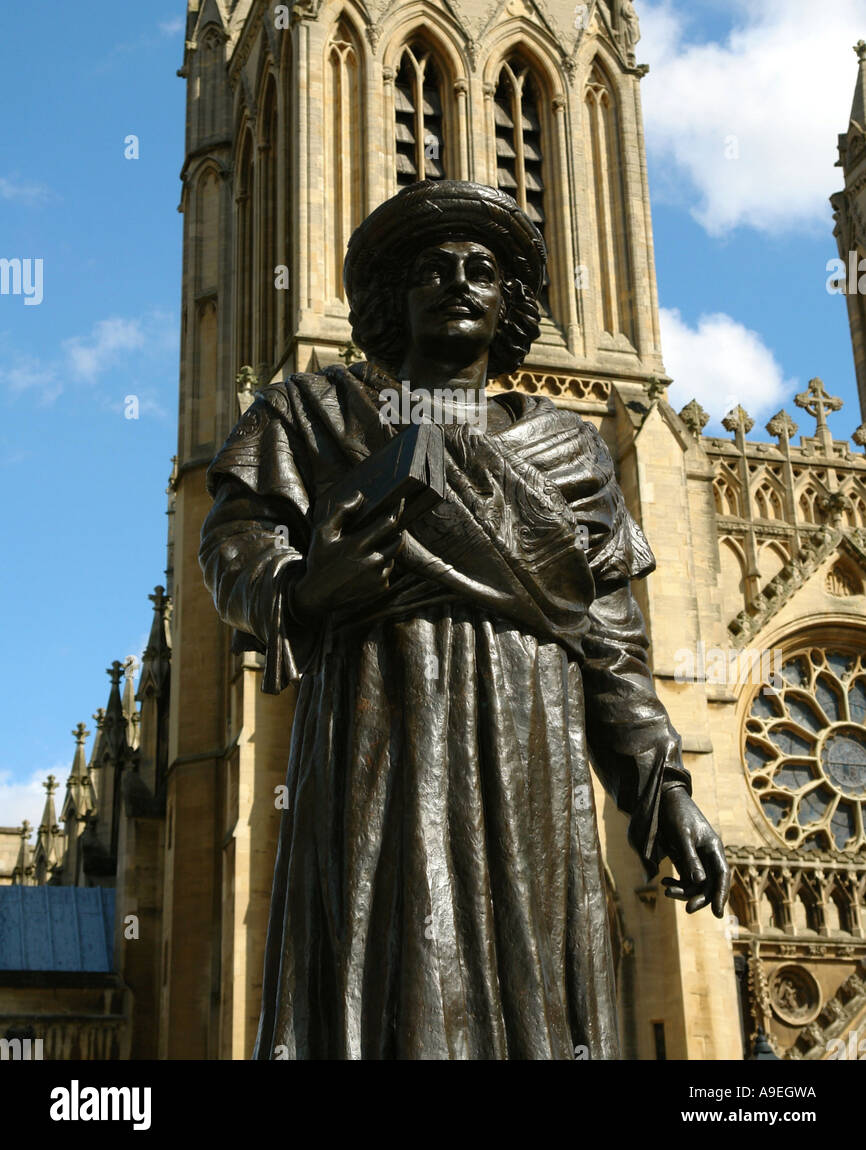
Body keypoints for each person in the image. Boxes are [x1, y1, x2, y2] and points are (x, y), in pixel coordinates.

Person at [199, 178, 729, 1060]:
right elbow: (235, 543)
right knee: (389, 970)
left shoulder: (572, 451)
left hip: (531, 750)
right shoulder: (316, 415)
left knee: (532, 993)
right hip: (378, 738)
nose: (458, 282)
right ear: (390, 299)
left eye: (482, 269)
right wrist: (299, 590)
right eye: (431, 269)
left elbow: (611, 646)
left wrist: (662, 790)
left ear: (510, 303)